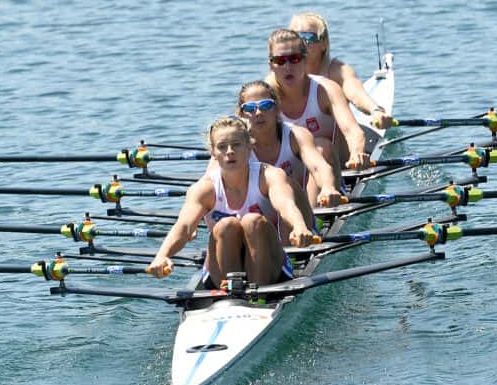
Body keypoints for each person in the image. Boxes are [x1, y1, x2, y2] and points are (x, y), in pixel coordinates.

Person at [146, 116, 315, 286]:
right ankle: (231, 293)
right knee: (227, 225)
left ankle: (259, 296)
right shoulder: (203, 189)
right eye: (222, 147)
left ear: (249, 147)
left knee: (252, 220)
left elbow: (286, 204)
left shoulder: (270, 175)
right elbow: (184, 227)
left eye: (236, 144)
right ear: (213, 153)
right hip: (221, 269)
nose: (230, 151)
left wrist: (299, 226)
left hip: (269, 263)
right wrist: (162, 256)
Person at [264, 29, 371, 175]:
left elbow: (352, 130)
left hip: (334, 169)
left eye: (294, 59)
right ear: (271, 65)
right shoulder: (263, 100)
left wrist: (357, 152)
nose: (287, 67)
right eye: (280, 61)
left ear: (305, 59)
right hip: (287, 177)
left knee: (320, 147)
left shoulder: (326, 90)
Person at [233, 80, 344, 222]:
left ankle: (315, 223)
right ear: (241, 114)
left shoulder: (296, 135)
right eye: (250, 108)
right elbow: (208, 182)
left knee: (319, 151)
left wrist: (328, 187)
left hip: (300, 211)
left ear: (277, 109)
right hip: (259, 221)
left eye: (266, 105)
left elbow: (318, 166)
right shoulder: (232, 146)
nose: (258, 113)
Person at [288, 11, 393, 130]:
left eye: (309, 38)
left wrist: (375, 110)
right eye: (296, 37)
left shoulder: (338, 71)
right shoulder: (281, 72)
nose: (301, 44)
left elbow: (355, 93)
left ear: (324, 43)